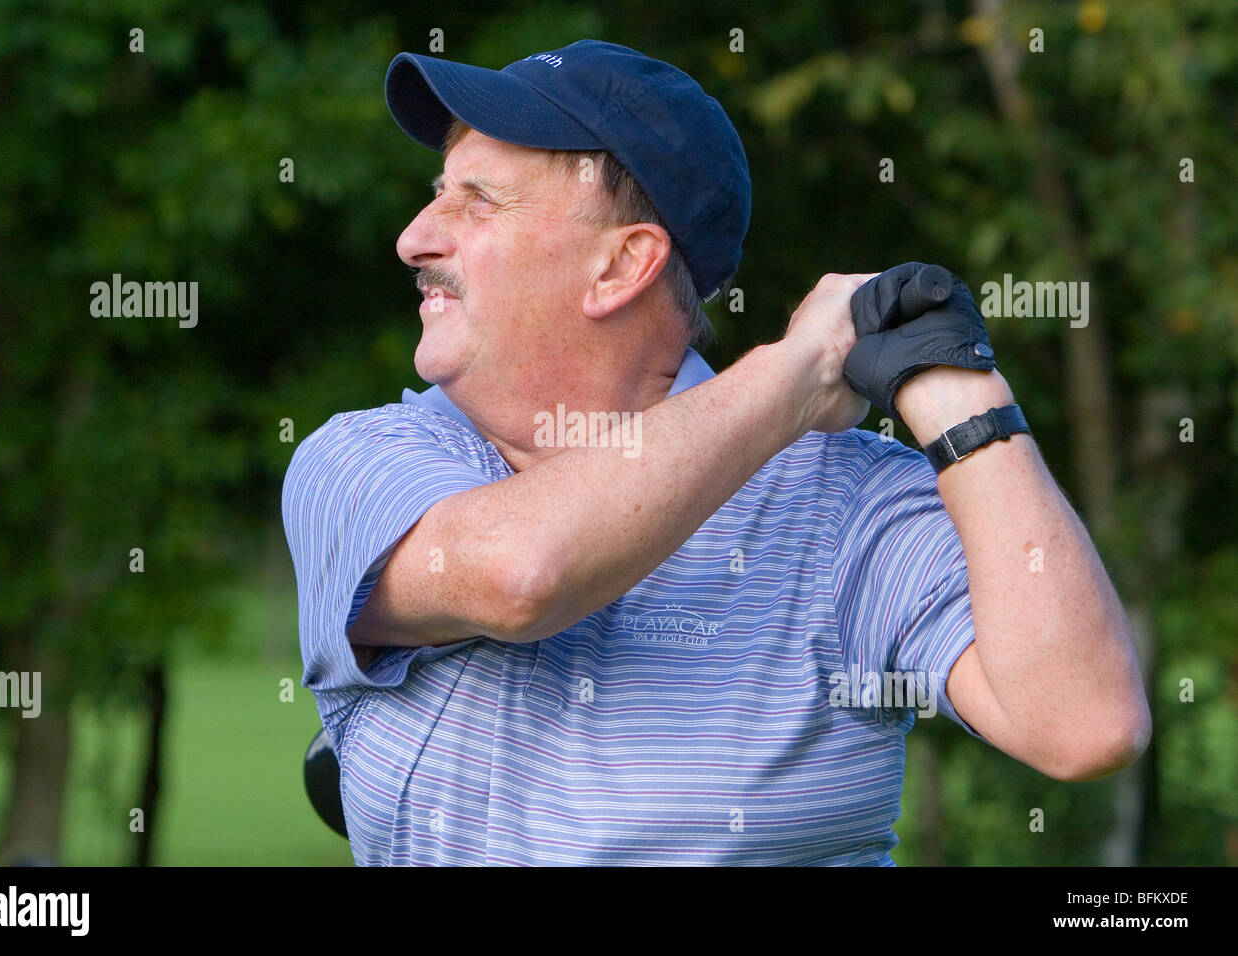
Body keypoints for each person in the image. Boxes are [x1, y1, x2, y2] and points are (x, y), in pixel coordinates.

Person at [282, 39, 1150, 865]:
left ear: (622, 268)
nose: (415, 237)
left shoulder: (849, 503)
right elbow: (518, 576)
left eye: (476, 200)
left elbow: (1085, 725)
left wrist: (965, 401)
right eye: (439, 192)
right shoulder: (363, 460)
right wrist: (795, 371)